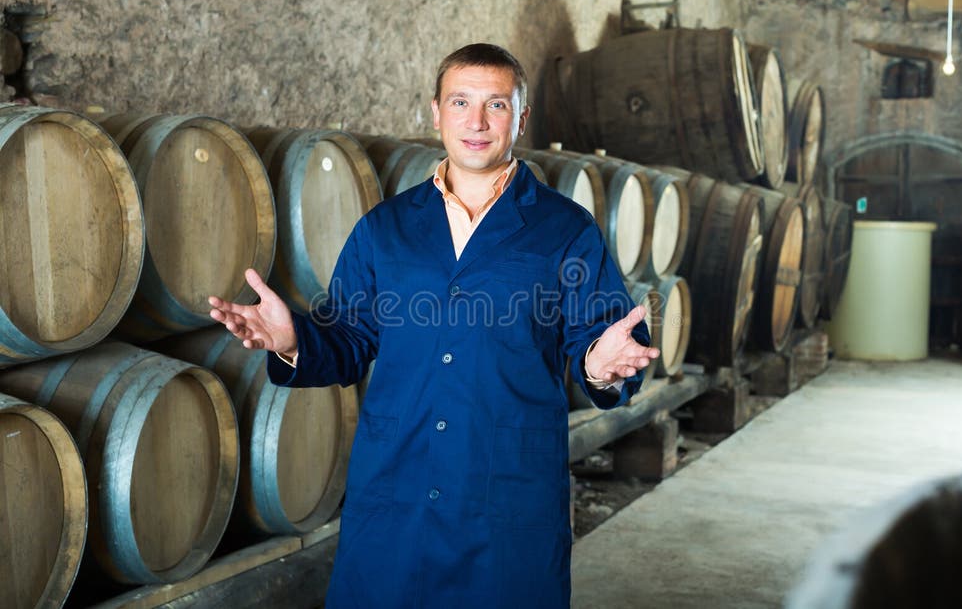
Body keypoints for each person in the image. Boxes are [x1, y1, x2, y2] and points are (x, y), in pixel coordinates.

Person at [209, 43, 659, 609]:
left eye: (496, 105)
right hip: (398, 483)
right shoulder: (385, 228)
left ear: (521, 118)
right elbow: (350, 338)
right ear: (436, 112)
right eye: (460, 102)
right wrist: (295, 339)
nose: (476, 121)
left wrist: (599, 364)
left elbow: (603, 339)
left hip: (506, 489)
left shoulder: (566, 230)